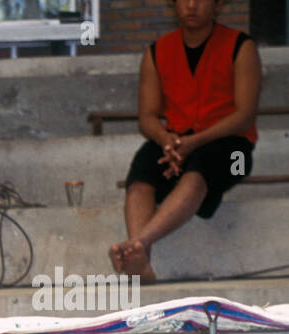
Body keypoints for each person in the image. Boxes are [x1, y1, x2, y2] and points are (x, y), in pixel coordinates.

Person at [108, 0, 260, 283]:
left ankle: (137, 244)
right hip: (177, 142)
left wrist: (195, 142)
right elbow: (147, 118)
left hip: (233, 145)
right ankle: (142, 264)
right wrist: (166, 140)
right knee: (141, 175)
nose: (191, 5)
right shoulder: (157, 52)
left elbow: (245, 115)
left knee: (198, 173)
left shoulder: (241, 46)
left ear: (216, 5)